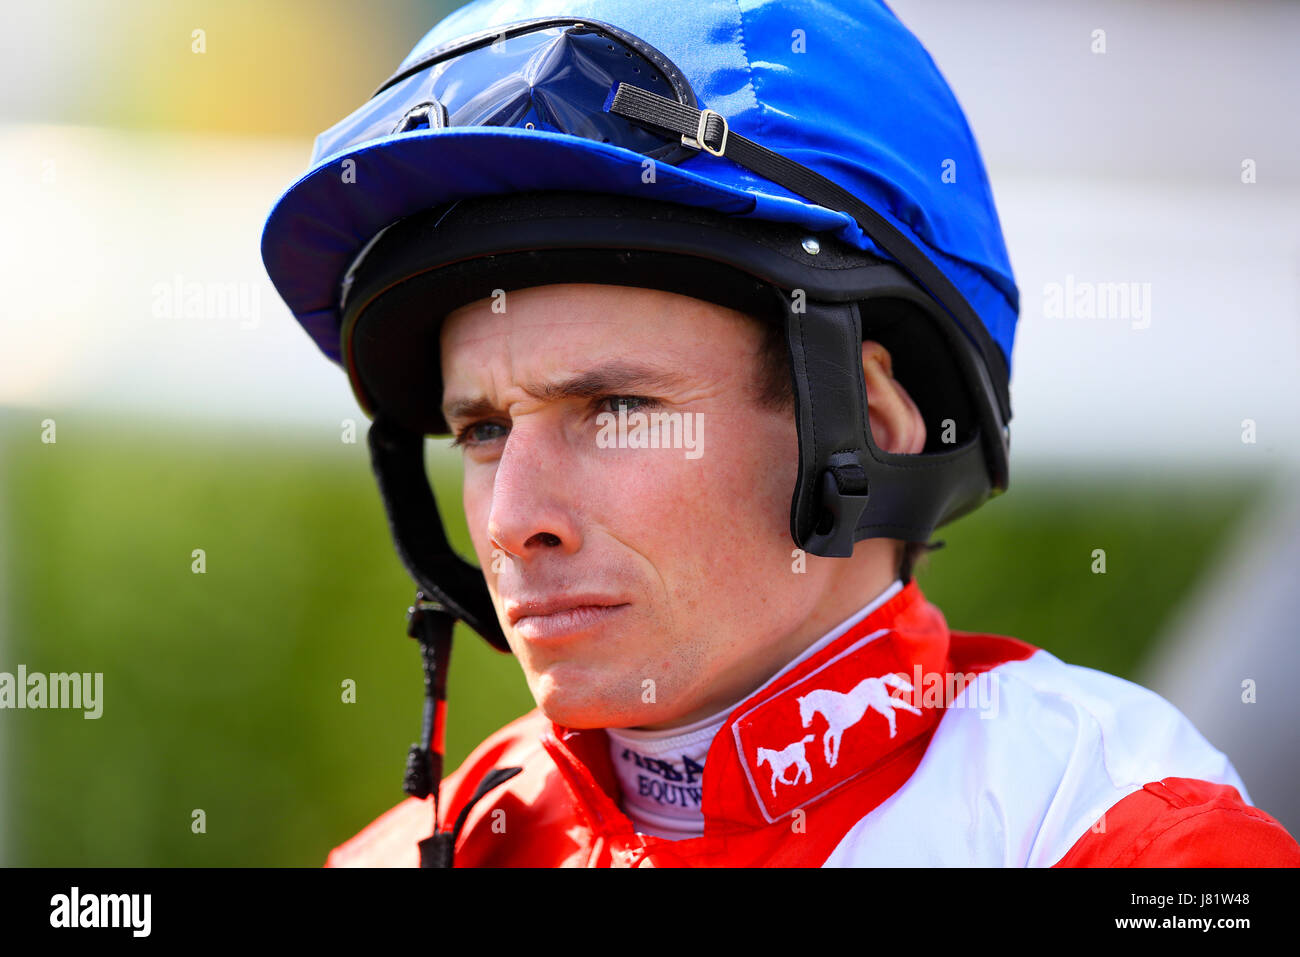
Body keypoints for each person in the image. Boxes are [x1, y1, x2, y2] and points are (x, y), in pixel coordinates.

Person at [260, 0, 1300, 866]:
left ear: (873, 423)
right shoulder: (405, 853)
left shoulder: (1110, 828)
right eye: (482, 430)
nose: (514, 521)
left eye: (616, 411)